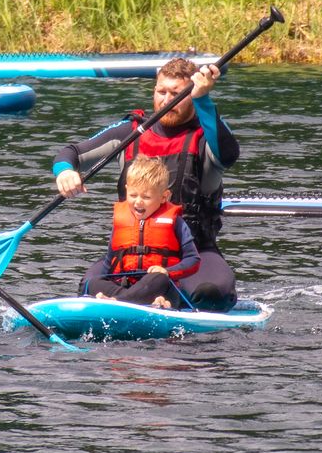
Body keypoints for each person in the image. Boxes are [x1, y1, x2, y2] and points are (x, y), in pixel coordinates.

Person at [53, 56, 240, 310]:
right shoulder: (130, 132)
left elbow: (229, 154)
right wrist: (65, 172)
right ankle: (147, 299)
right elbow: (72, 153)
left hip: (193, 254)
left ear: (192, 94)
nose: (166, 100)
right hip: (129, 256)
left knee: (212, 294)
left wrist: (203, 100)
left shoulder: (204, 135)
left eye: (177, 93)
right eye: (161, 92)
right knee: (87, 284)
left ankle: (147, 298)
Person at [84, 156, 200, 309]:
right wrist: (96, 287)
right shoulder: (121, 222)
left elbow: (193, 260)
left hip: (160, 288)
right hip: (125, 287)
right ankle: (126, 301)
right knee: (93, 282)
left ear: (164, 197)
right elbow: (109, 261)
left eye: (146, 197)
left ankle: (119, 302)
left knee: (158, 278)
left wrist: (167, 271)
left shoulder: (176, 223)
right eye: (133, 195)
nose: (138, 201)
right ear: (126, 190)